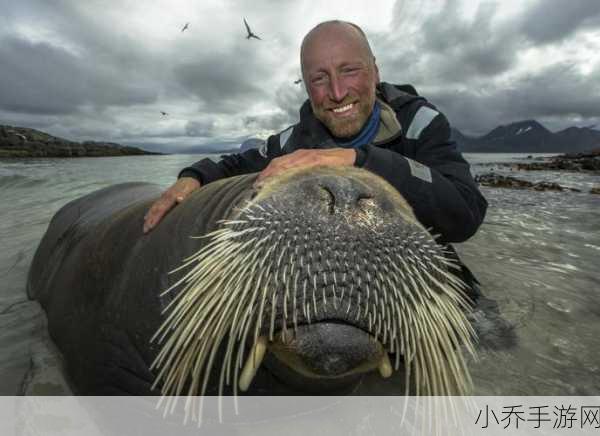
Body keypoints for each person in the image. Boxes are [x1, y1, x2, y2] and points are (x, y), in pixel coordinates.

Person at [143, 20, 487, 297]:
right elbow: (233, 165)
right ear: (307, 86)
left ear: (375, 71)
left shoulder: (420, 123)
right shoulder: (295, 141)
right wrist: (193, 176)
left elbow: (465, 211)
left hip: (409, 274)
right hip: (324, 276)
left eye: (350, 70)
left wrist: (358, 159)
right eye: (319, 78)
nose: (337, 93)